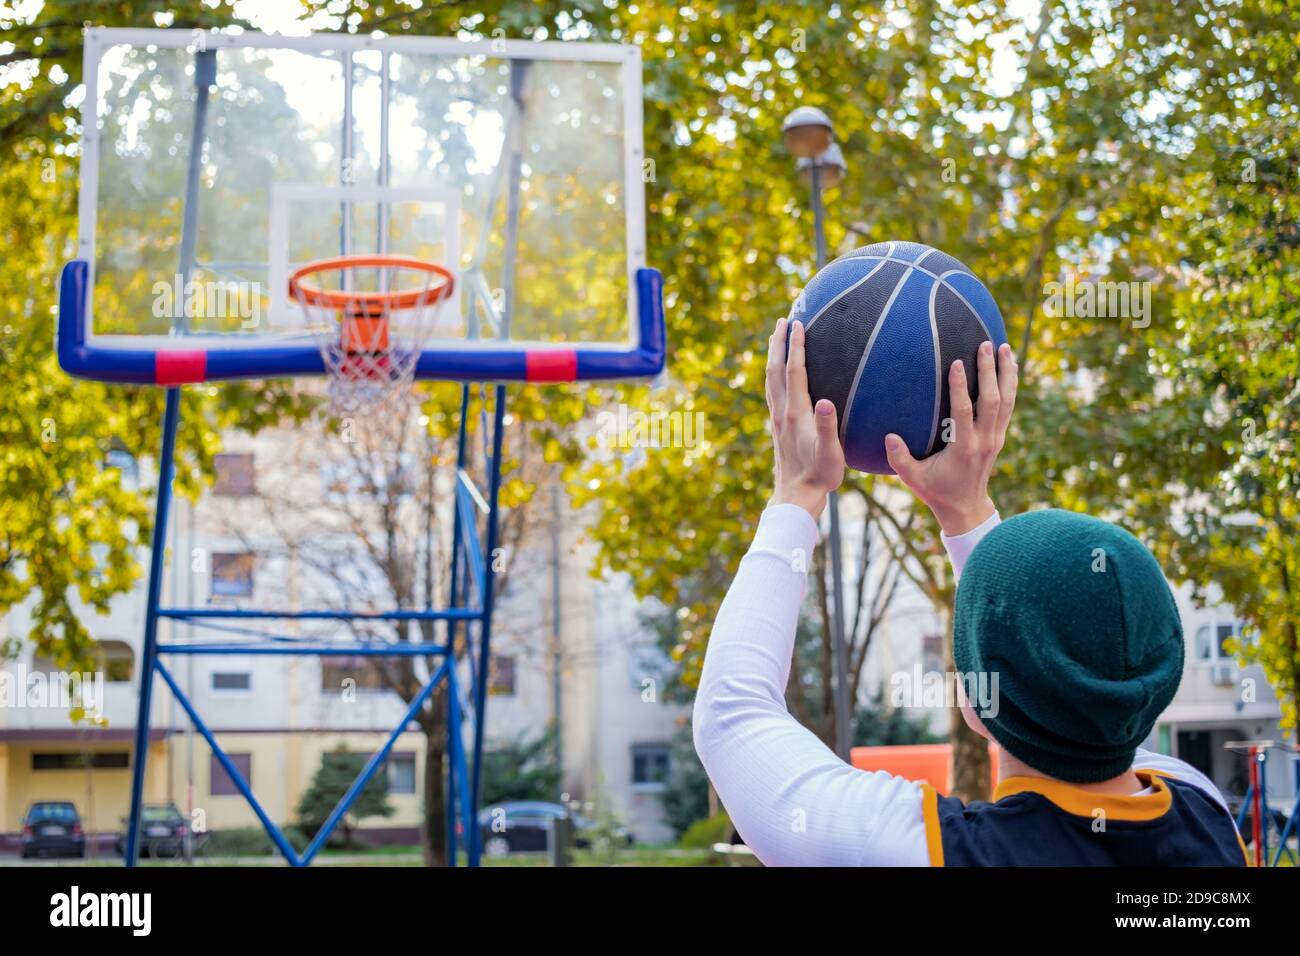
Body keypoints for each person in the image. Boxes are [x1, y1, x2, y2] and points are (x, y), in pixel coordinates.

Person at [692, 317, 1247, 866]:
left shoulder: (928, 851)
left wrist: (799, 487)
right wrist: (965, 509)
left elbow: (731, 712)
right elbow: (732, 717)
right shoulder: (1207, 820)